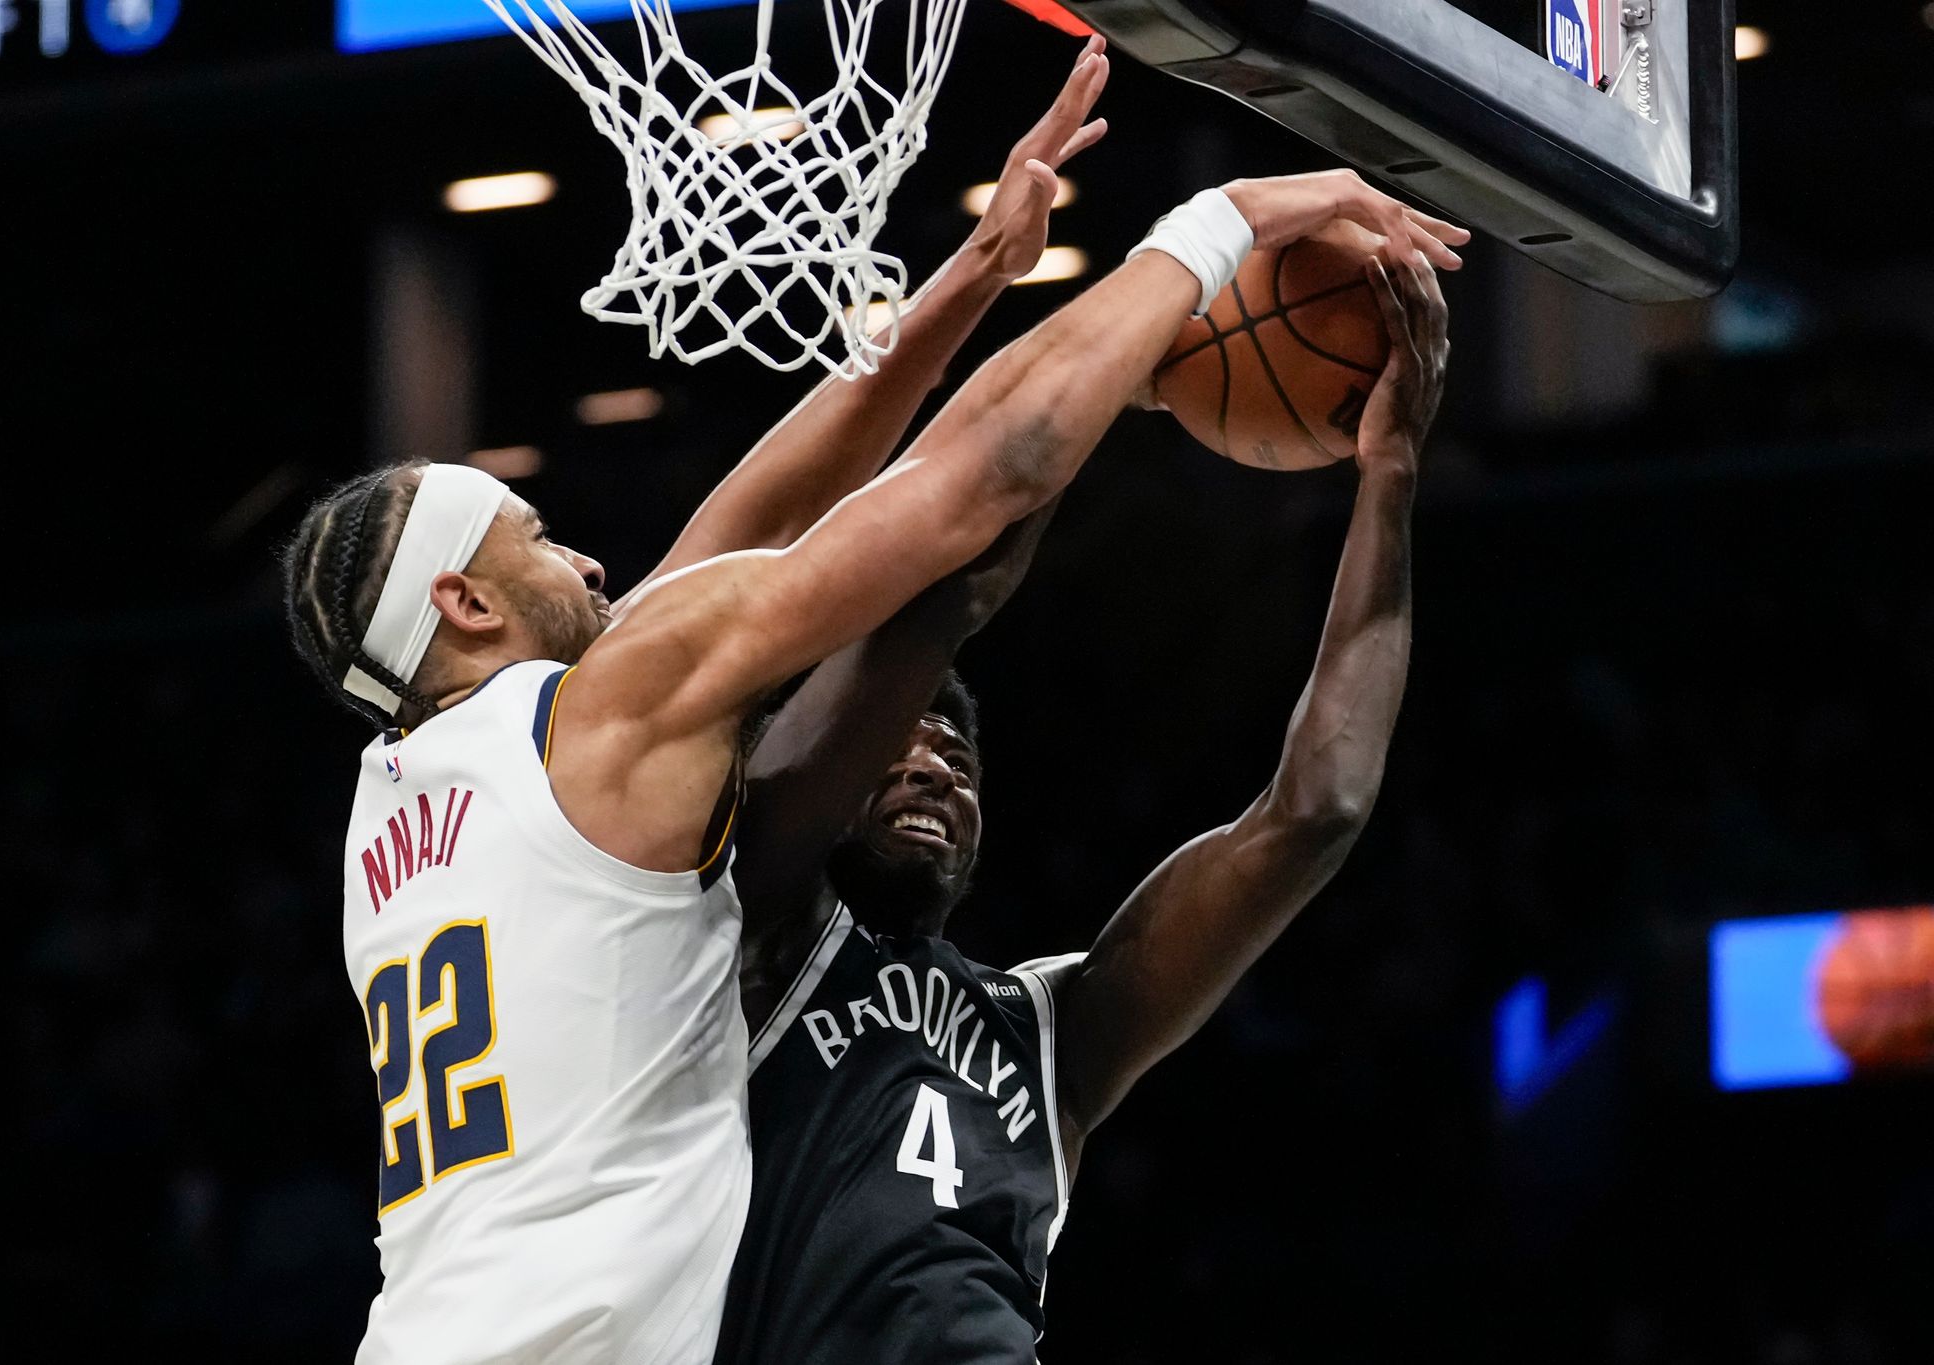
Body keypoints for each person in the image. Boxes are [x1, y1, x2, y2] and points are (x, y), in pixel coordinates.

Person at [282, 29, 1466, 1357]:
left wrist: (968, 283)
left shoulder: (406, 796)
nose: (592, 553)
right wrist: (1206, 230)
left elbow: (745, 526)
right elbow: (986, 480)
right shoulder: (597, 724)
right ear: (466, 602)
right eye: (537, 533)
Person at [714, 254, 1452, 1363]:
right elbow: (950, 596)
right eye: (899, 743)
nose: (934, 769)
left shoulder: (1049, 1030)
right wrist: (1121, 343)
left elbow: (1316, 810)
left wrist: (1387, 476)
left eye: (956, 749)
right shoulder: (735, 931)